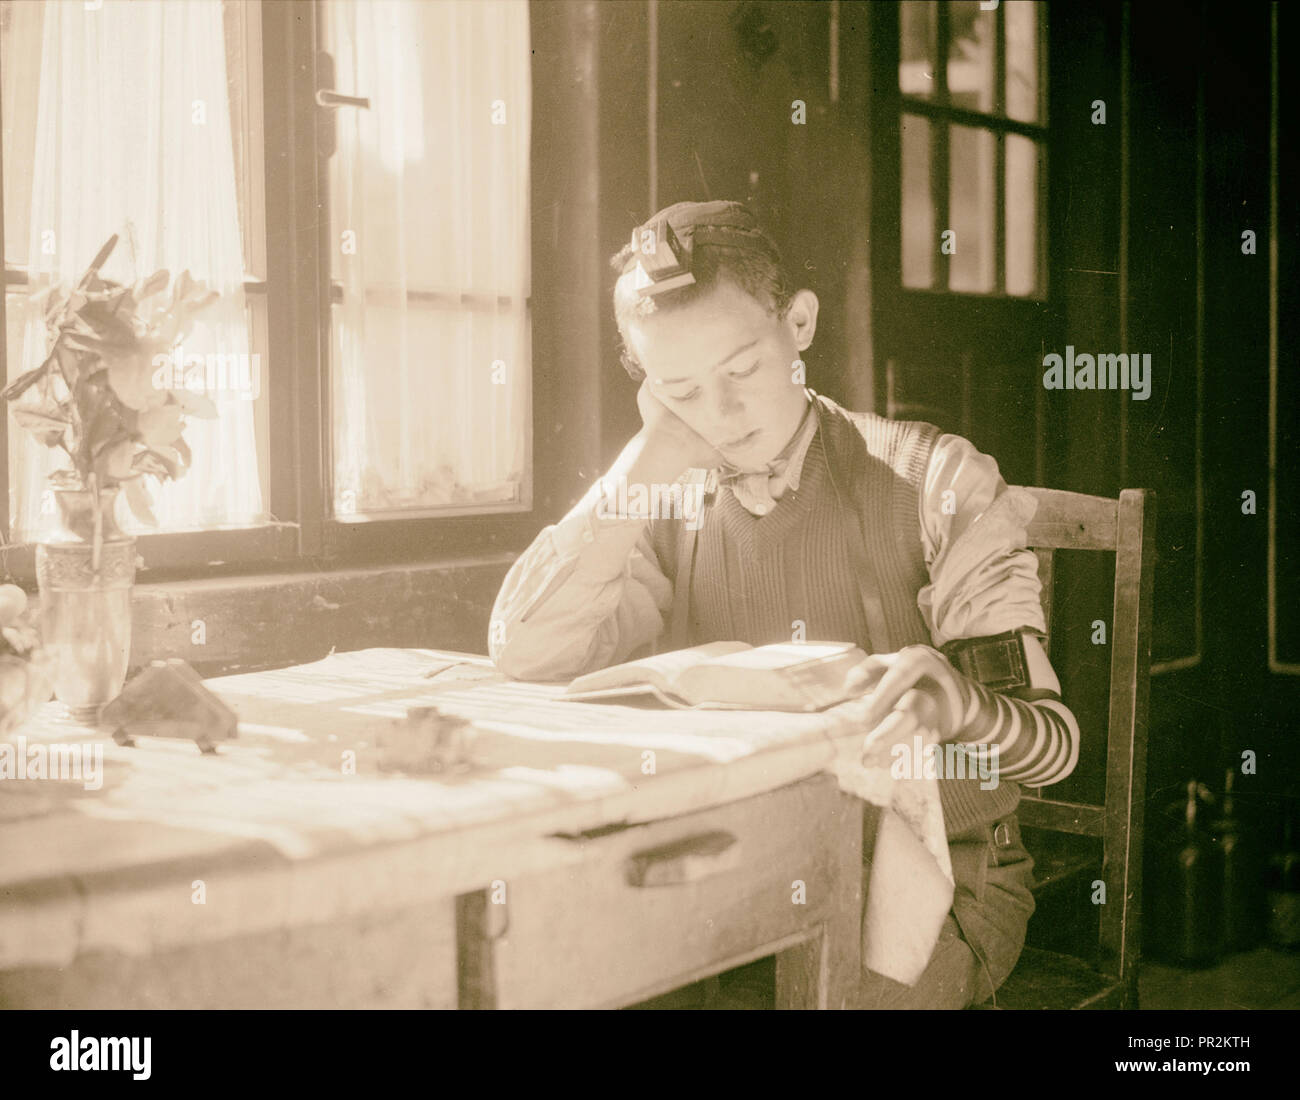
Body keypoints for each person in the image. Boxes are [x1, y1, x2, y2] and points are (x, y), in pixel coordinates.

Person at [488, 199, 1081, 1008]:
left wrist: (962, 710)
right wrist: (645, 463)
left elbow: (1053, 748)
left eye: (741, 371)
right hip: (729, 872)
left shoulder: (932, 481)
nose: (722, 417)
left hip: (930, 884)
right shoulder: (665, 500)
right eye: (682, 391)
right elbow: (529, 654)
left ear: (798, 323)